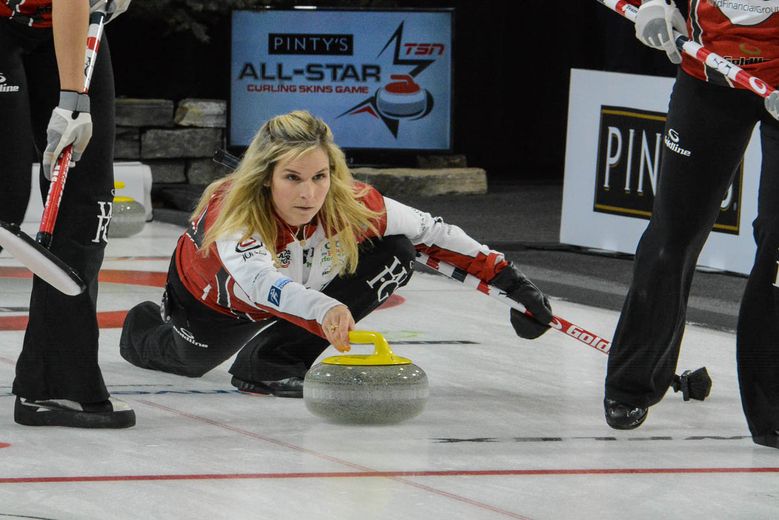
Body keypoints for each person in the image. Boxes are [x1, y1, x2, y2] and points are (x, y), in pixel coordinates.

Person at [119, 110, 554, 397]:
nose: (309, 194)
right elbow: (260, 283)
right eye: (292, 177)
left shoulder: (350, 201)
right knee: (185, 362)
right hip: (218, 304)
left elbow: (433, 233)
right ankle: (142, 328)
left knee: (397, 251)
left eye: (320, 176)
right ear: (266, 176)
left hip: (305, 288)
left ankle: (274, 362)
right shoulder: (233, 215)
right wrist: (325, 308)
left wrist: (510, 282)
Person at [603, 0, 779, 449]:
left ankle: (772, 409)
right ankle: (632, 383)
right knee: (672, 233)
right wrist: (654, 5)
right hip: (710, 75)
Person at [0, 0, 134, 427]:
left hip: (67, 25)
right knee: (5, 199)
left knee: (85, 200)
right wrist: (73, 97)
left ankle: (57, 384)